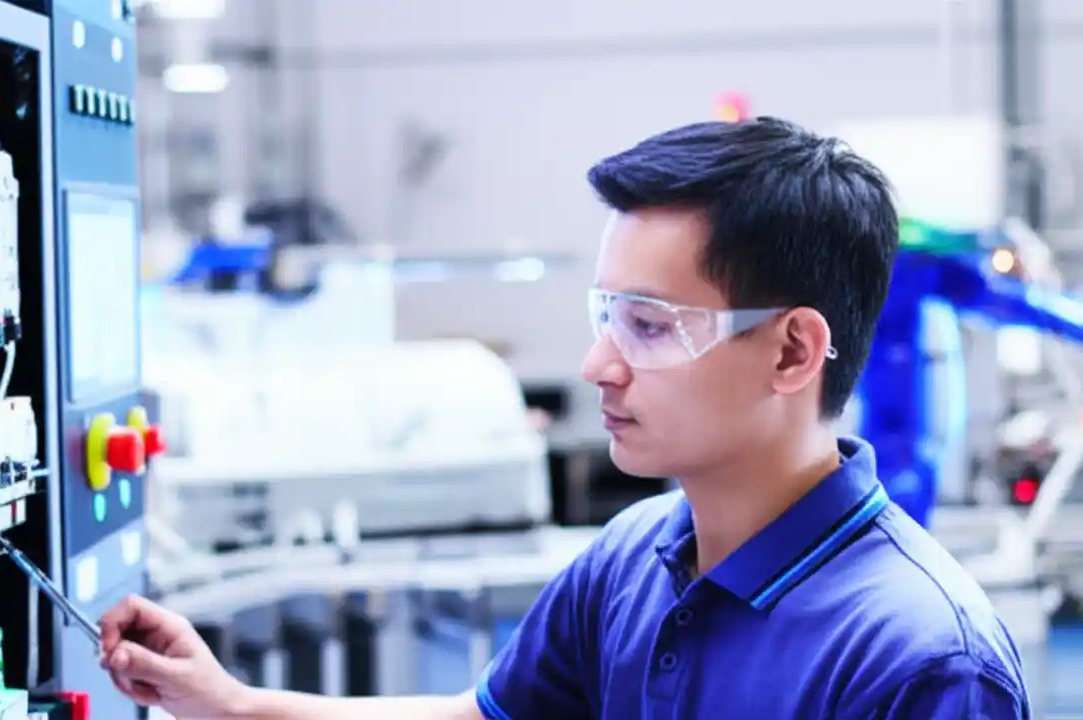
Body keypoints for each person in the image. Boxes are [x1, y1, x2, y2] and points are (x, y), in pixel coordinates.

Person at [99, 117, 1031, 719]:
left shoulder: (920, 662)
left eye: (651, 326)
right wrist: (230, 704)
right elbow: (480, 719)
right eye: (606, 317)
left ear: (792, 351)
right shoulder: (634, 558)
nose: (599, 365)